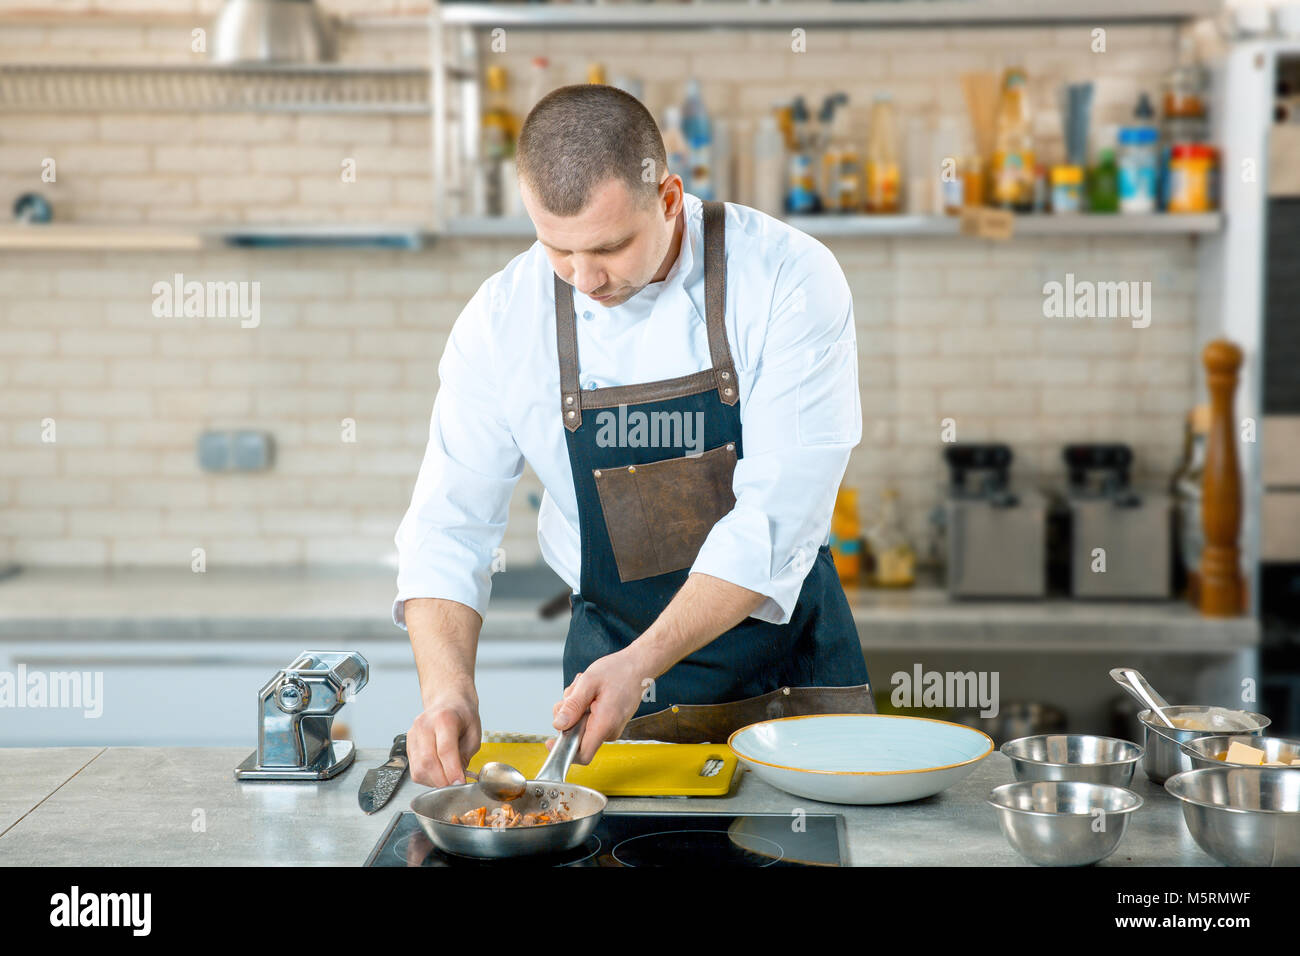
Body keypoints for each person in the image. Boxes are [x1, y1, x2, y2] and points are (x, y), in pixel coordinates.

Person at [395, 84, 873, 788]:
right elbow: (449, 526)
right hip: (612, 691)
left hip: (791, 681)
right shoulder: (503, 318)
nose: (585, 279)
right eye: (557, 250)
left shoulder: (786, 278)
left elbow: (776, 521)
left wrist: (644, 662)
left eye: (610, 247)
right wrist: (447, 690)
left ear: (670, 197)